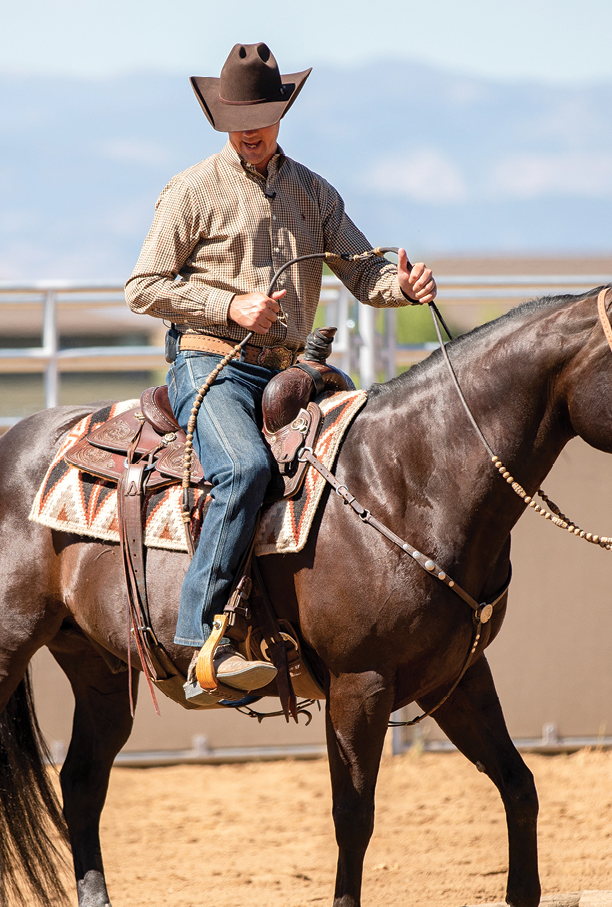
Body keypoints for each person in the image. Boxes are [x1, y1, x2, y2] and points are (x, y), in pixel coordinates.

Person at [125, 42, 437, 705]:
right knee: (243, 470)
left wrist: (403, 288)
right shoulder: (191, 191)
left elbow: (364, 274)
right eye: (236, 119)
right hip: (210, 365)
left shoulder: (315, 194)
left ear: (281, 113)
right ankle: (201, 638)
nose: (249, 131)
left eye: (260, 117)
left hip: (288, 372)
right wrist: (228, 306)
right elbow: (142, 287)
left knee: (361, 466)